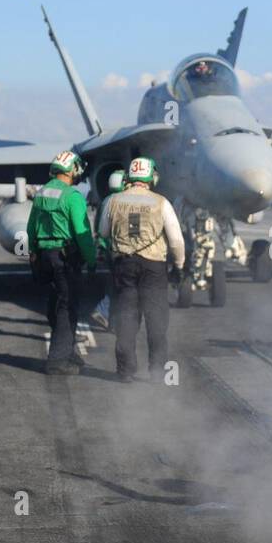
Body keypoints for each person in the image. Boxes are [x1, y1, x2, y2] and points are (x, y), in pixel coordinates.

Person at [103, 156, 184, 382]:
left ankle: (125, 371)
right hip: (154, 268)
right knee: (156, 321)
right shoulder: (162, 202)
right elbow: (176, 241)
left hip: (124, 265)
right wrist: (179, 265)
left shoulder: (113, 200)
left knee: (127, 318)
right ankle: (157, 371)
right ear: (151, 177)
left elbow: (102, 232)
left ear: (129, 176)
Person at [26, 150, 95, 376]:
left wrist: (34, 252)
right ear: (72, 170)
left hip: (45, 255)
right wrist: (92, 261)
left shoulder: (41, 193)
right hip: (64, 257)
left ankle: (66, 350)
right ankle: (57, 361)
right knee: (68, 306)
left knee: (55, 301)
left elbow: (30, 228)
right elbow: (83, 233)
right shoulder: (72, 196)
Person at [89, 169, 127, 333]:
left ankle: (109, 319)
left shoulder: (106, 201)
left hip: (109, 248)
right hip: (122, 249)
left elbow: (99, 227)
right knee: (125, 287)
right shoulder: (124, 201)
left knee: (115, 283)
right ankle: (106, 312)